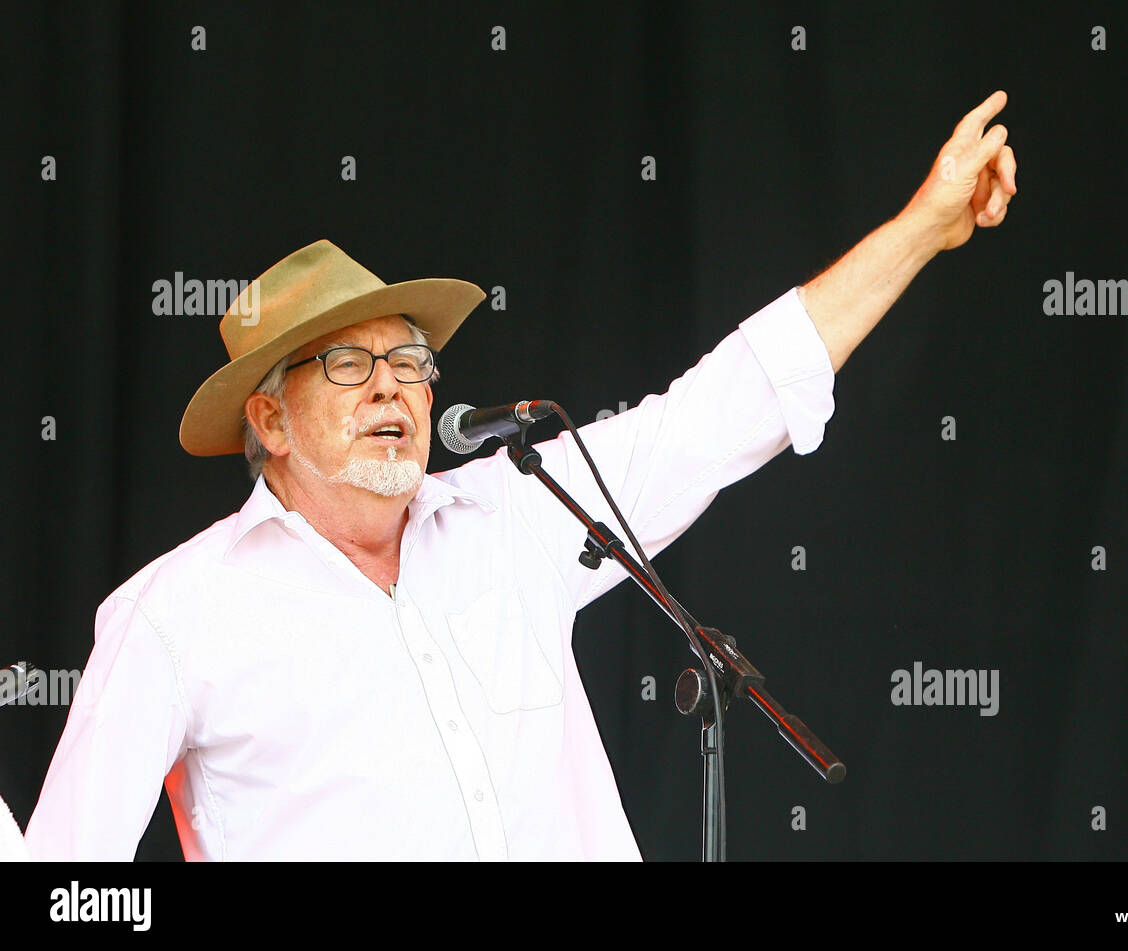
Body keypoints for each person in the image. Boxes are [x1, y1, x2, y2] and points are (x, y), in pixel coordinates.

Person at [22, 91, 1016, 860]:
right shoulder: (177, 614)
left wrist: (923, 225)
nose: (395, 391)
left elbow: (725, 409)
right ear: (270, 419)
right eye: (350, 365)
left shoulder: (519, 512)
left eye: (410, 363)